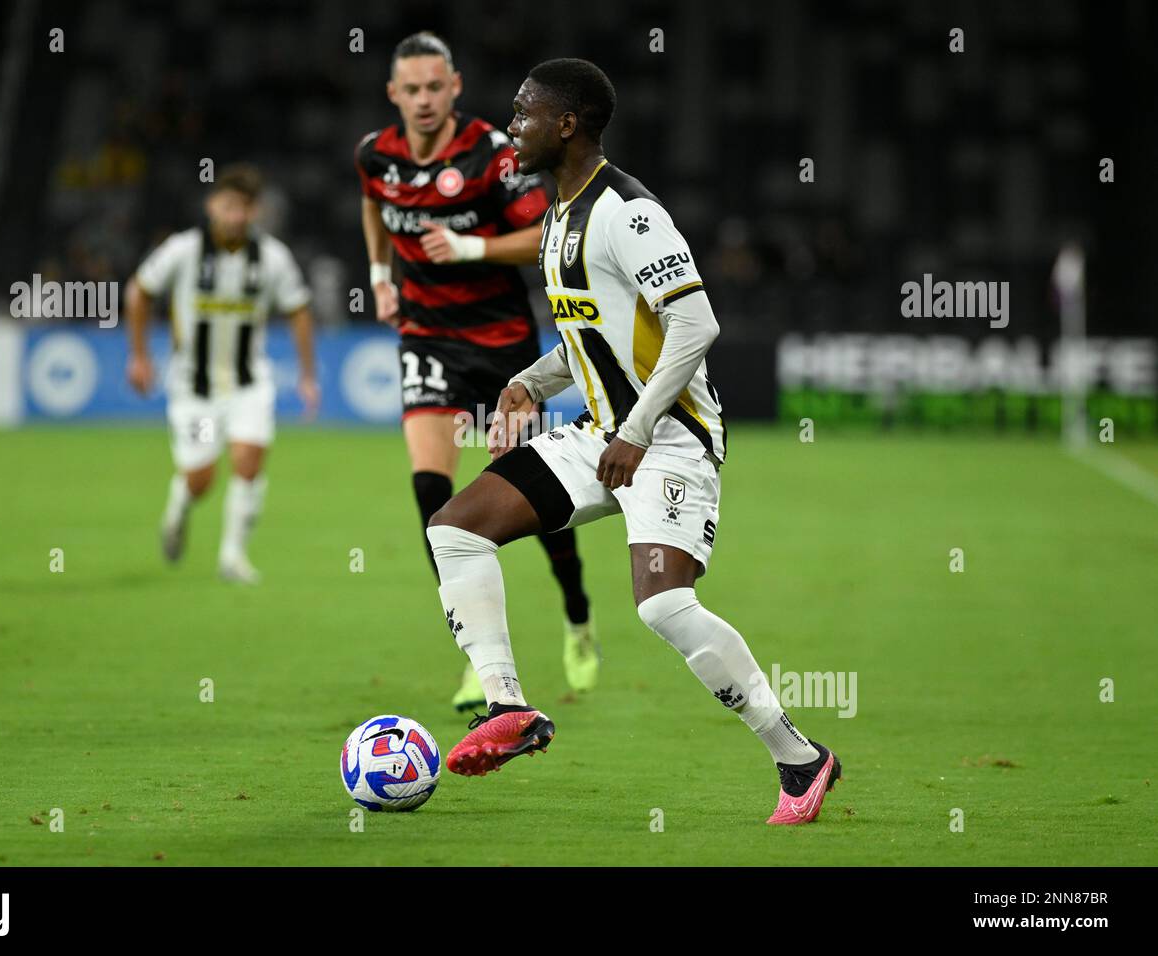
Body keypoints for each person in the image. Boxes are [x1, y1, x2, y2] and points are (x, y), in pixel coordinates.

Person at [426, 59, 841, 825]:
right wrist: (529, 382)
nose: (510, 127)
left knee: (663, 607)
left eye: (523, 114)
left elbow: (696, 324)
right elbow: (591, 340)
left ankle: (800, 758)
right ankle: (508, 707)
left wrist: (637, 427)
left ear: (568, 124)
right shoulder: (556, 216)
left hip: (668, 439)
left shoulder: (628, 212)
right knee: (454, 530)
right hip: (600, 436)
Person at [356, 32, 597, 710]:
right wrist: (379, 273)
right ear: (394, 94)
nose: (425, 99)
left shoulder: (494, 155)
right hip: (427, 339)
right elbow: (373, 202)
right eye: (413, 89)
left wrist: (469, 245)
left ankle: (577, 618)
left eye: (437, 87)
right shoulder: (376, 155)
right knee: (432, 496)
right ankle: (477, 658)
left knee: (540, 504)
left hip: (502, 350)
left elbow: (546, 233)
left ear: (455, 87)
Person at [126, 163, 319, 584]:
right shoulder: (183, 250)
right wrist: (138, 356)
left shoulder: (271, 257)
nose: (236, 216)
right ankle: (179, 505)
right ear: (213, 205)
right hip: (194, 386)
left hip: (250, 383)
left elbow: (299, 311)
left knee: (249, 461)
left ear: (255, 212)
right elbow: (139, 291)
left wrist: (308, 375)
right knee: (201, 479)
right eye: (229, 206)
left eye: (245, 208)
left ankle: (232, 557)